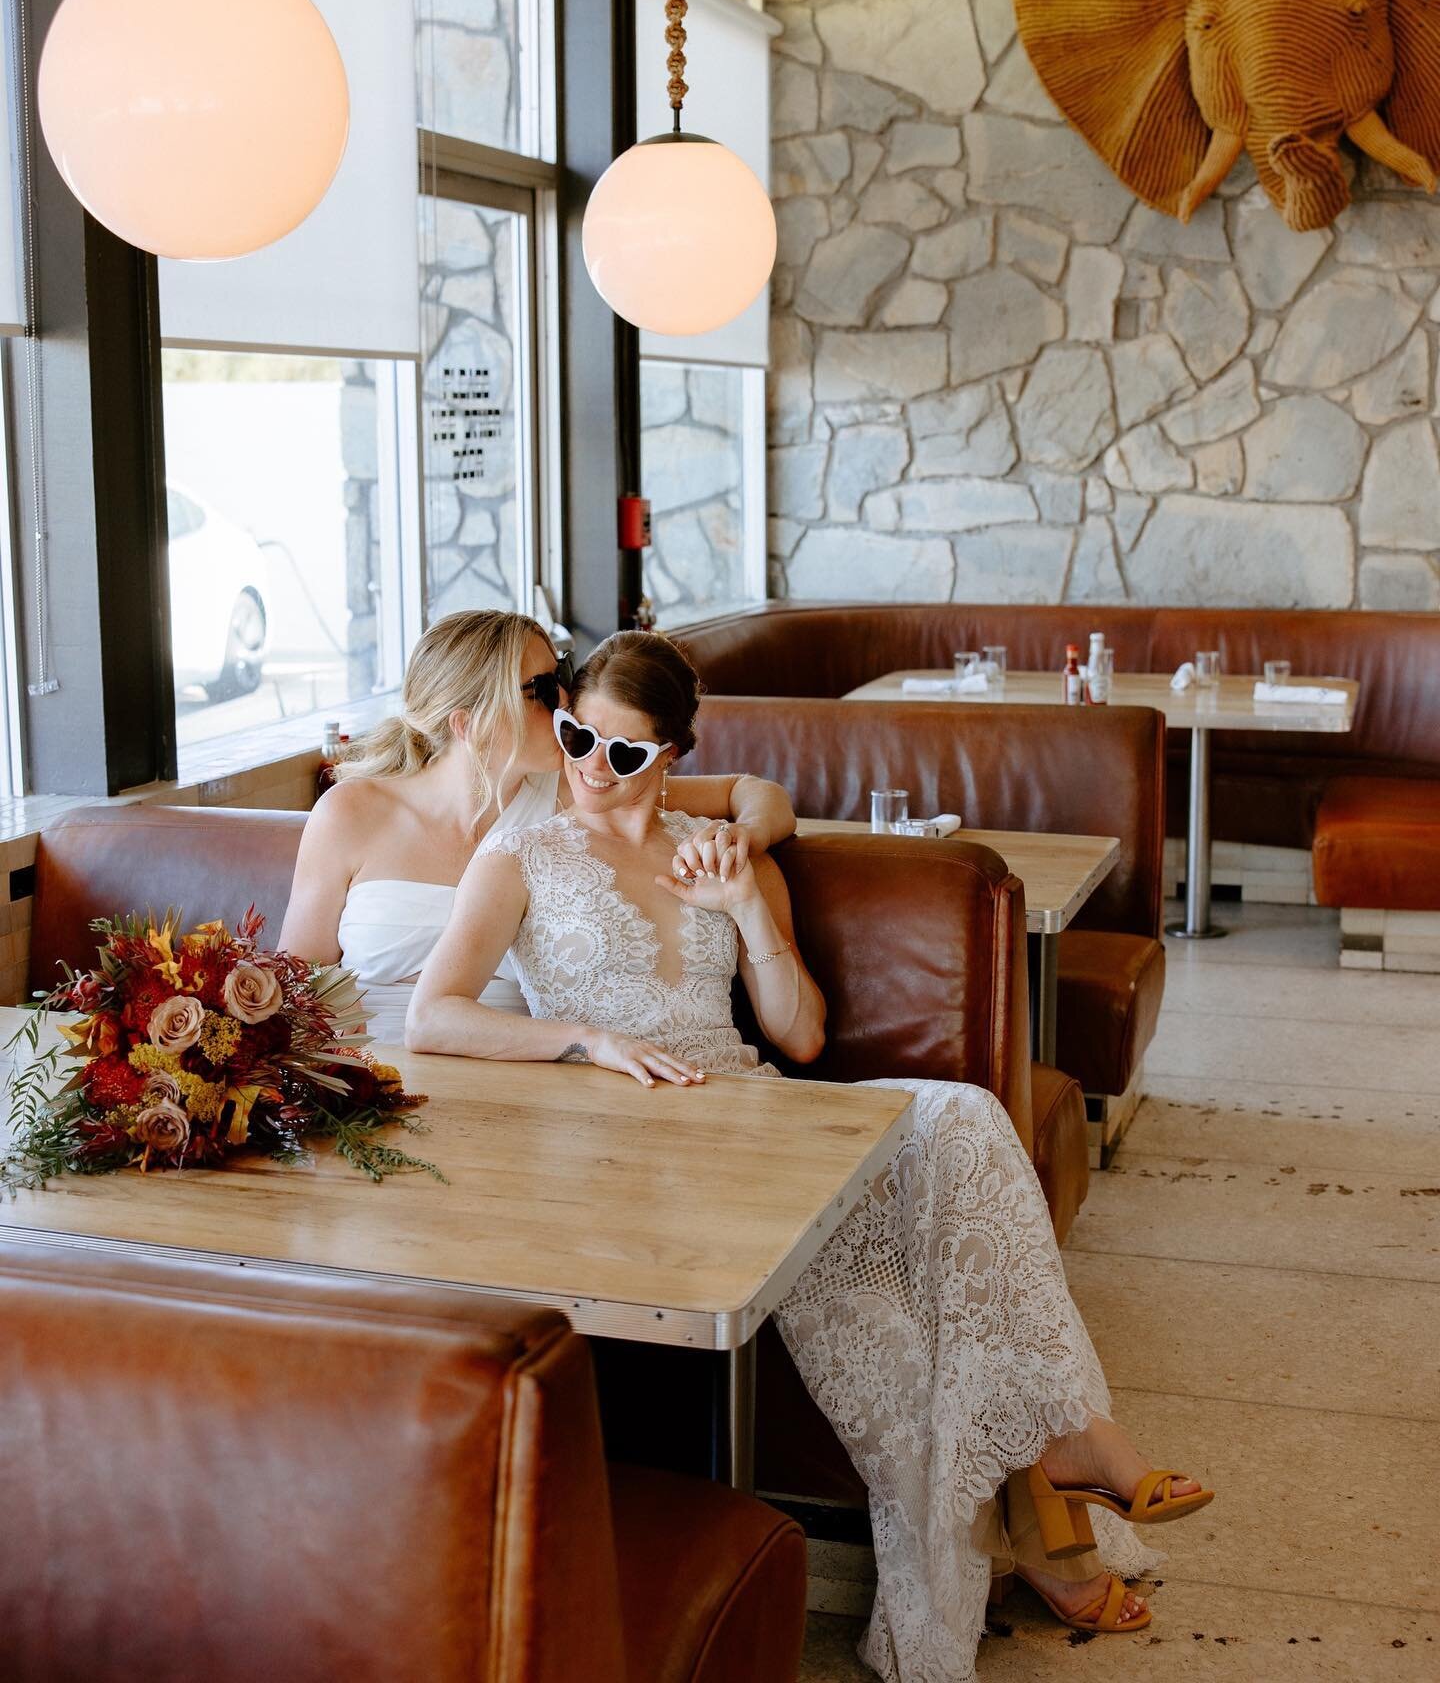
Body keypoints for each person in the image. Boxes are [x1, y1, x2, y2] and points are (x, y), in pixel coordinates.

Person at [406, 631, 1213, 1681]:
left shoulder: (722, 850)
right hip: (636, 1150)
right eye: (575, 738)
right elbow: (434, 1014)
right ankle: (1044, 1526)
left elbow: (798, 1038)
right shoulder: (522, 853)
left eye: (627, 753)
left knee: (963, 1119)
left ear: (675, 757)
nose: (593, 770)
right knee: (898, 1344)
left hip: (755, 1116)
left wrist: (745, 905)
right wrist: (584, 1037)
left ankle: (1069, 1433)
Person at [279, 610, 796, 1042]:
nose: (566, 705)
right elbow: (294, 986)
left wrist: (742, 838)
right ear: (469, 723)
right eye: (542, 690)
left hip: (512, 1069)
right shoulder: (350, 814)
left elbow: (751, 792)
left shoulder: (583, 790)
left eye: (563, 678)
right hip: (359, 1069)